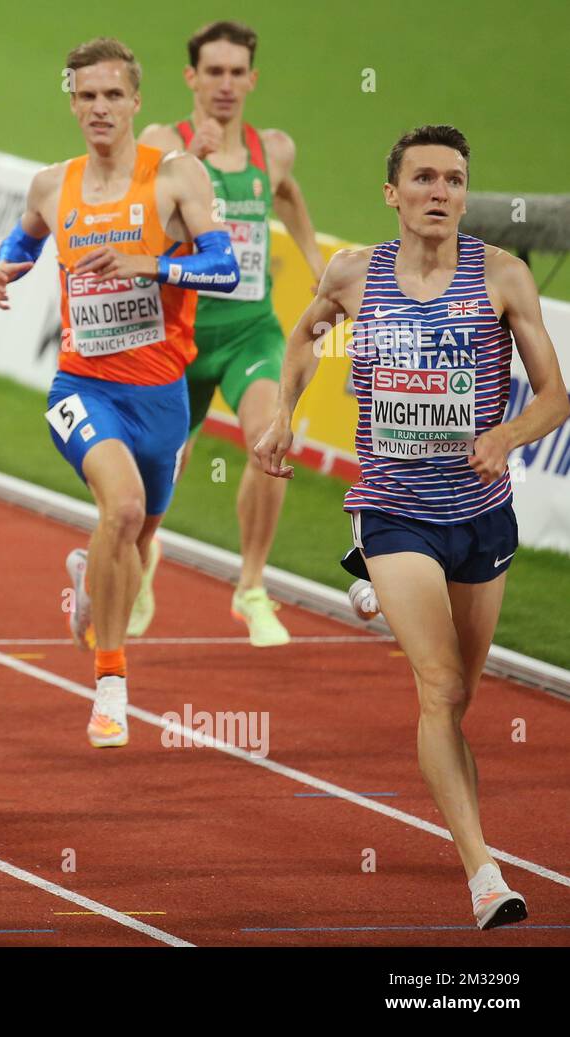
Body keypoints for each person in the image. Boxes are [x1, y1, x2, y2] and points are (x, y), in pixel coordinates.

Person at [255, 125, 569, 929]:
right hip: (395, 508)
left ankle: (375, 584)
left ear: (465, 194)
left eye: (454, 180)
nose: (440, 192)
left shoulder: (502, 275)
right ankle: (483, 872)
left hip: (480, 517)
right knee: (440, 686)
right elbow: (304, 337)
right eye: (424, 178)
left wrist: (506, 436)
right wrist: (284, 414)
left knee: (460, 700)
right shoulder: (353, 273)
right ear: (392, 193)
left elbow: (554, 397)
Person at [0, 37, 238, 748]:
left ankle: (89, 573)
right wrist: (3, 267)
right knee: (122, 509)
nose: (99, 107)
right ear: (72, 102)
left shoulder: (176, 177)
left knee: (138, 539)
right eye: (87, 95)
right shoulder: (51, 184)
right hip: (82, 387)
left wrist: (148, 264)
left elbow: (224, 269)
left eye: (112, 95)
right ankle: (111, 686)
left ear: (135, 101)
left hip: (162, 396)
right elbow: (25, 237)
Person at [137, 20, 326, 646]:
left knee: (271, 443)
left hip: (251, 332)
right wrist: (193, 159)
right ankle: (142, 557)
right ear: (191, 77)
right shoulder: (164, 141)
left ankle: (251, 586)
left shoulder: (274, 149)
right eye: (213, 72)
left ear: (252, 79)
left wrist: (316, 262)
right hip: (178, 335)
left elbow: (287, 193)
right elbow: (139, 212)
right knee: (160, 467)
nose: (225, 83)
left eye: (236, 72)